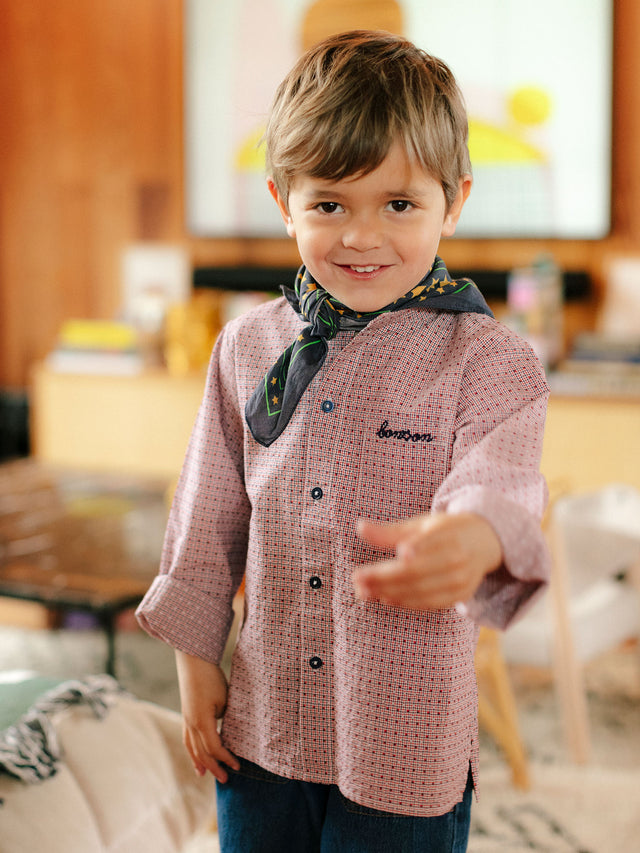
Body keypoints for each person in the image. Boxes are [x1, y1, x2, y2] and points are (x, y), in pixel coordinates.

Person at [136, 30, 550, 852]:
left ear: (453, 200)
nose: (362, 237)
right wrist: (195, 661)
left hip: (404, 744)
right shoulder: (246, 347)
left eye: (399, 204)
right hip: (267, 725)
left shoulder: (488, 358)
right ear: (282, 198)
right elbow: (206, 516)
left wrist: (471, 535)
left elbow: (500, 475)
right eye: (329, 203)